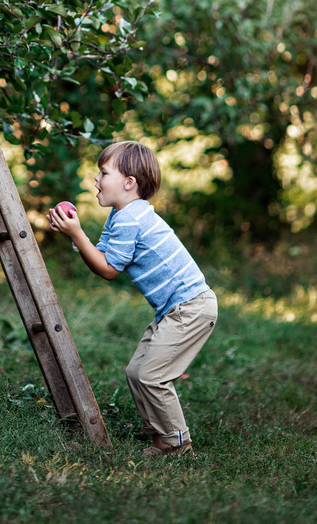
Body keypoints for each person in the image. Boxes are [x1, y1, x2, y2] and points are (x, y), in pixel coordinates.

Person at [47, 140, 218, 457]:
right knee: (136, 372)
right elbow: (101, 257)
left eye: (103, 172)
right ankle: (159, 435)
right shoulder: (119, 215)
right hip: (174, 309)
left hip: (190, 308)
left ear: (129, 183)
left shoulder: (129, 219)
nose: (96, 179)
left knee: (153, 376)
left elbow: (109, 270)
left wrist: (76, 234)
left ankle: (178, 443)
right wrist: (75, 234)